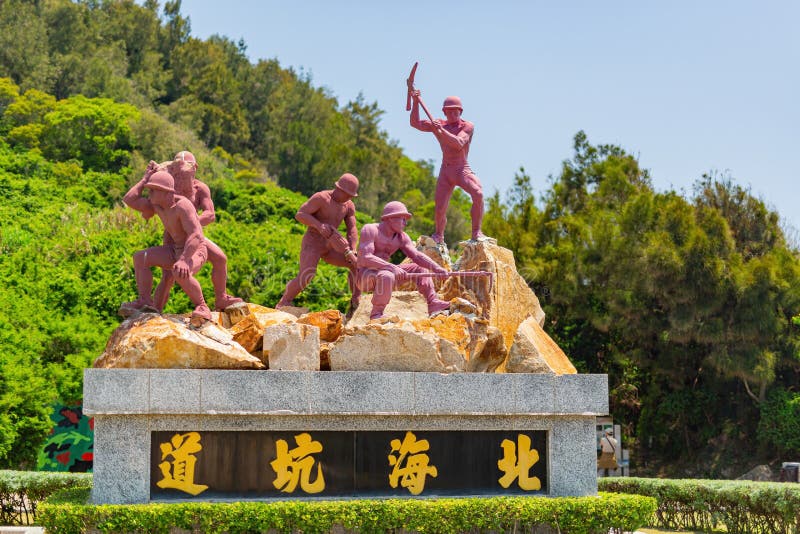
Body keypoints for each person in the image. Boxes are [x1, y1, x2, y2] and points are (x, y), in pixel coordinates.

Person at [150, 151, 242, 312]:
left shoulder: (200, 189)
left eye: (184, 174)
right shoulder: (171, 187)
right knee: (168, 275)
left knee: (220, 259)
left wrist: (190, 224)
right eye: (178, 174)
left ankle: (221, 298)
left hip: (194, 234)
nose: (181, 179)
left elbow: (210, 214)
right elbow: (157, 178)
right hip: (173, 237)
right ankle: (155, 309)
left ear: (195, 170)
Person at [120, 171, 212, 323]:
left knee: (179, 271)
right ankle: (145, 300)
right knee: (140, 257)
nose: (149, 194)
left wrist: (184, 259)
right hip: (175, 249)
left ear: (164, 192)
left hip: (195, 250)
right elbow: (129, 199)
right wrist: (144, 179)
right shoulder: (157, 205)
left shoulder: (182, 205)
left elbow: (196, 235)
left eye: (152, 190)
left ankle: (202, 306)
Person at [410, 91, 486, 244]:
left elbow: (458, 143)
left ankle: (476, 231)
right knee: (439, 207)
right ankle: (439, 235)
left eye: (455, 110)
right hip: (446, 171)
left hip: (461, 170)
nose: (452, 113)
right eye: (449, 111)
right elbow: (415, 123)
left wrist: (440, 131)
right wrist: (416, 101)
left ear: (460, 111)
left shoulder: (467, 126)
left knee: (477, 193)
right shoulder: (439, 124)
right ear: (444, 112)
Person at [277, 173, 361, 311]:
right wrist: (319, 225)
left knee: (355, 264)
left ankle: (355, 300)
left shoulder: (349, 205)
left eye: (351, 195)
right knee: (307, 274)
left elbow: (352, 228)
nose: (349, 197)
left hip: (331, 246)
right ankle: (284, 302)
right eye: (347, 194)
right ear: (338, 188)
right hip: (313, 243)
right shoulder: (321, 198)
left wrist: (352, 248)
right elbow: (300, 214)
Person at [356, 201, 451, 320]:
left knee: (420, 268)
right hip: (366, 276)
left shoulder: (402, 237)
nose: (405, 223)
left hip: (386, 274)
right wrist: (391, 267)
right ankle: (376, 314)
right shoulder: (370, 229)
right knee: (387, 275)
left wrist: (436, 268)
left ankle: (433, 302)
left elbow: (416, 256)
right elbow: (365, 257)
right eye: (403, 219)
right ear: (391, 218)